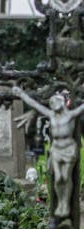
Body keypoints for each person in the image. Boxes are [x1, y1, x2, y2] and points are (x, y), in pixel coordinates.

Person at [12, 87, 84, 218]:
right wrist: (21, 94)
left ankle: (65, 204)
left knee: (65, 177)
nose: (54, 105)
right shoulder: (51, 115)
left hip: (68, 149)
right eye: (53, 103)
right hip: (56, 149)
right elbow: (36, 105)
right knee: (58, 178)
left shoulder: (70, 115)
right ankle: (60, 203)